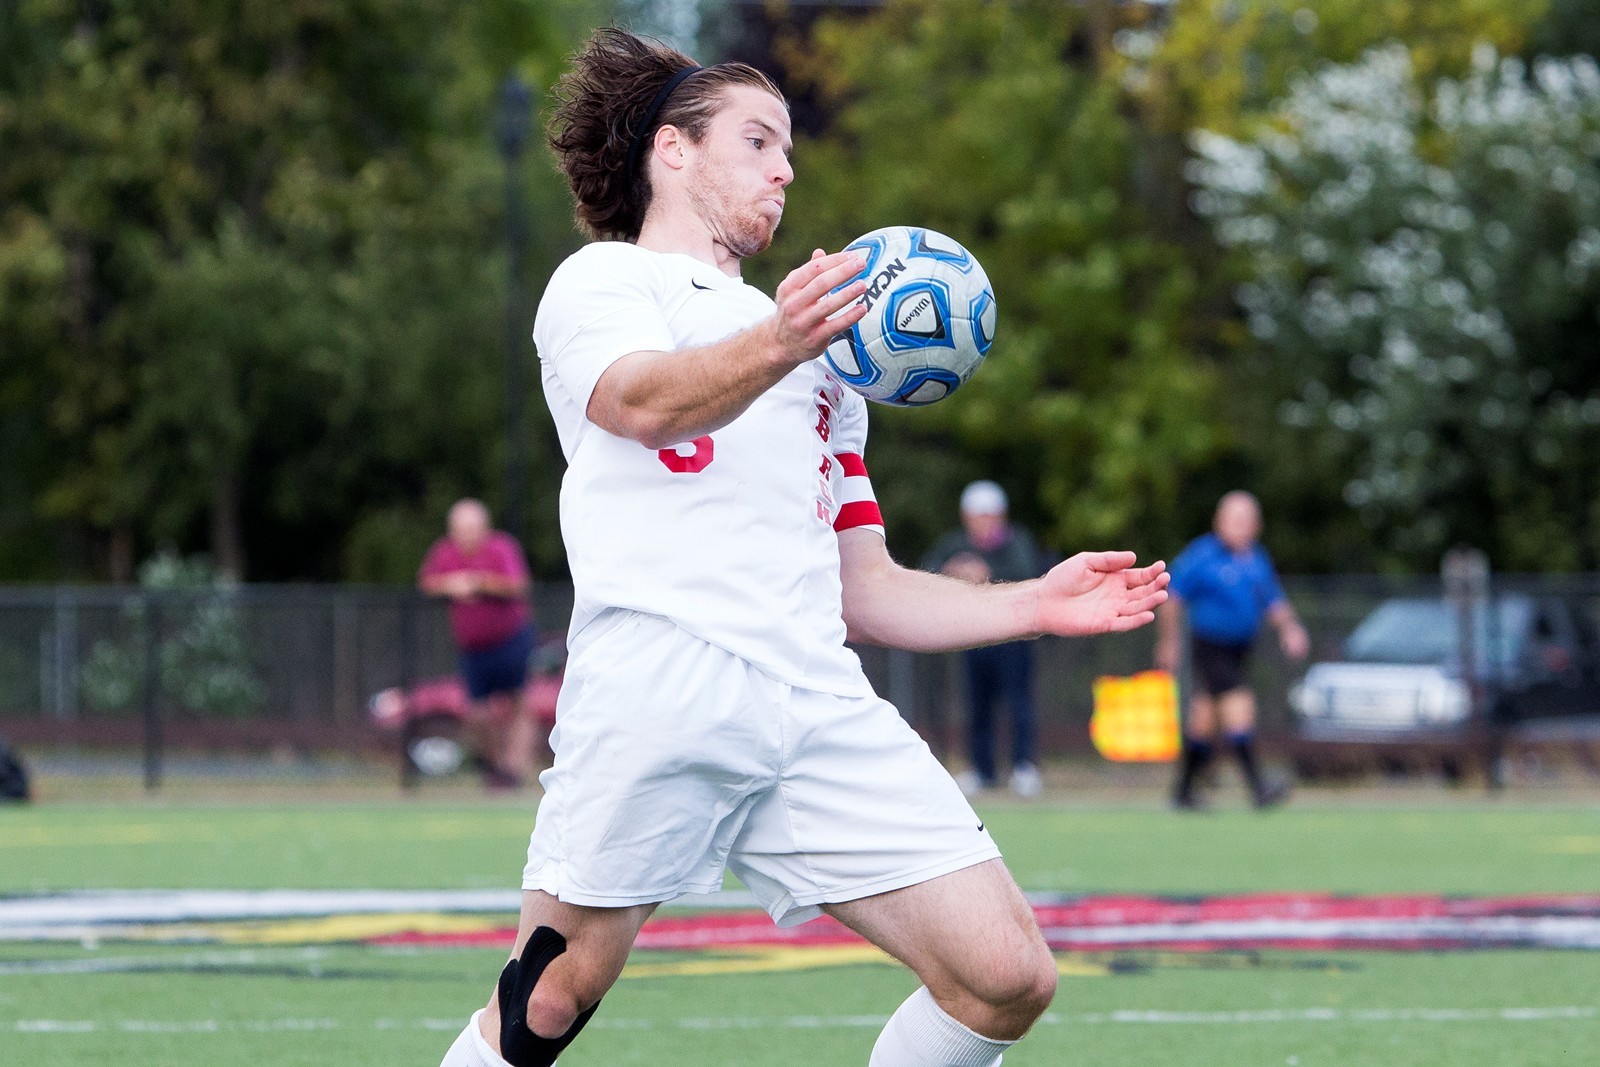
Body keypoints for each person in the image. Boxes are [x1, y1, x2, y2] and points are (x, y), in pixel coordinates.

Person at [438, 29, 1168, 1067]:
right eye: (757, 139)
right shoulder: (604, 283)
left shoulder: (830, 364)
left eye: (790, 150)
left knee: (1005, 975)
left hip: (812, 697)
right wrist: (783, 339)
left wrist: (1028, 604)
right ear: (671, 151)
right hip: (662, 681)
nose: (784, 168)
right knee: (549, 996)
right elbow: (640, 402)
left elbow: (863, 588)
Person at [1154, 490, 1309, 810]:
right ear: (1219, 521)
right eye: (1234, 519)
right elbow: (1173, 596)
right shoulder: (1202, 554)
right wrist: (1169, 642)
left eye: (1247, 520)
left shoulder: (1256, 558)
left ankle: (1182, 792)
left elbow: (1274, 602)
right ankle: (1258, 787)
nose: (1241, 526)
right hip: (1210, 647)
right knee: (1239, 706)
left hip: (1240, 650)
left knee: (1204, 720)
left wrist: (1290, 628)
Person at [923, 481, 1047, 798]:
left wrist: (986, 573)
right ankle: (983, 770)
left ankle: (1024, 767)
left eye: (990, 515)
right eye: (978, 515)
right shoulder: (955, 544)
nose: (984, 521)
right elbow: (926, 570)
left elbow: (1027, 573)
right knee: (977, 704)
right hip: (973, 637)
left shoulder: (1016, 542)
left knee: (1018, 702)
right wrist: (951, 572)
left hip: (1012, 637)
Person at [418, 499, 538, 789]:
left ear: (484, 527)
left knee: (519, 704)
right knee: (477, 713)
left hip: (511, 640)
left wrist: (480, 583)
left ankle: (515, 770)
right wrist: (451, 584)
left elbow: (519, 585)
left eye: (472, 528)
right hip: (473, 648)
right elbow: (427, 583)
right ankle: (498, 767)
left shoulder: (501, 547)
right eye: (461, 529)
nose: (467, 535)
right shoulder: (445, 552)